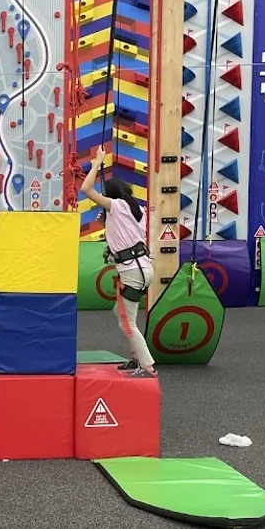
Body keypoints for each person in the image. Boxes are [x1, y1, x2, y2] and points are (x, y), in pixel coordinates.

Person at [81, 146, 157, 377]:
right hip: (144, 269)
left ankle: (146, 365)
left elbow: (85, 188)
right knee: (121, 313)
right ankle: (136, 359)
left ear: (111, 195)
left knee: (127, 323)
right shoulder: (138, 210)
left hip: (132, 272)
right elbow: (127, 239)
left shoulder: (116, 206)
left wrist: (97, 162)